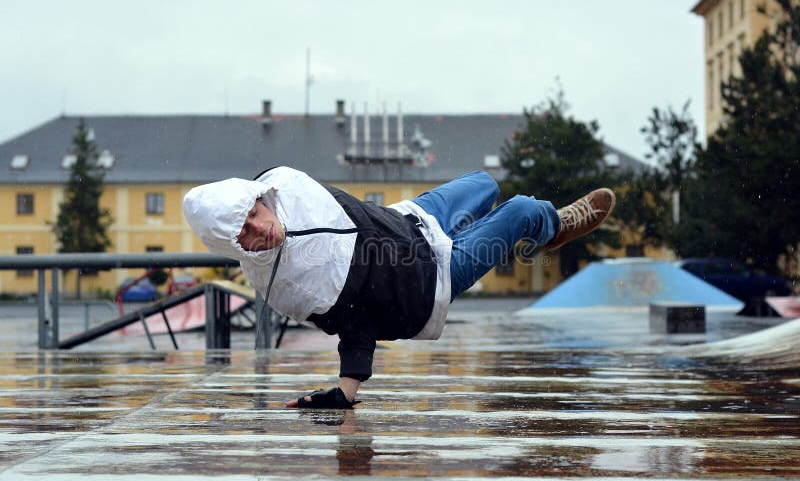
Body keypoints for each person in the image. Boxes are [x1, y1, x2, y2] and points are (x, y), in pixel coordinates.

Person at [182, 166, 615, 409]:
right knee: (521, 208)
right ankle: (552, 224)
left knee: (486, 184)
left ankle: (528, 226)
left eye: (254, 212)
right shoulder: (289, 284)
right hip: (429, 278)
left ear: (259, 197)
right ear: (234, 246)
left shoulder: (289, 190)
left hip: (408, 219)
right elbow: (354, 321)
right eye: (246, 233)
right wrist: (346, 390)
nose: (262, 228)